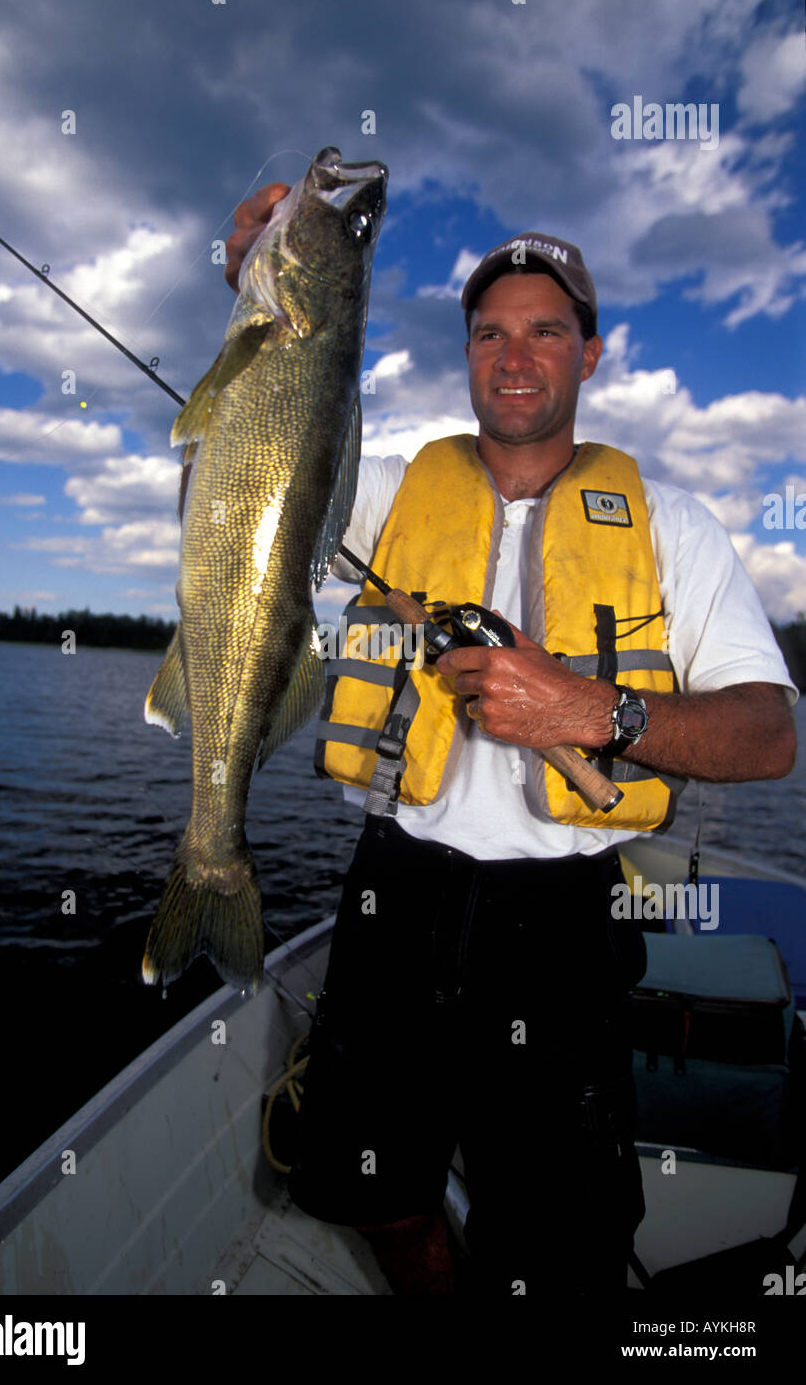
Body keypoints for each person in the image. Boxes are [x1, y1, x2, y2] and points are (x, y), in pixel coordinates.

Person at [225, 184, 798, 1298]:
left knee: (560, 1240)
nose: (515, 354)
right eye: (489, 331)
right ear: (467, 354)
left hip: (560, 915)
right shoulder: (384, 493)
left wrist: (590, 711)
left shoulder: (675, 526)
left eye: (544, 329)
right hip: (394, 890)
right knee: (367, 1181)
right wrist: (259, 312)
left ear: (590, 352)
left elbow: (768, 733)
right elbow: (247, 476)